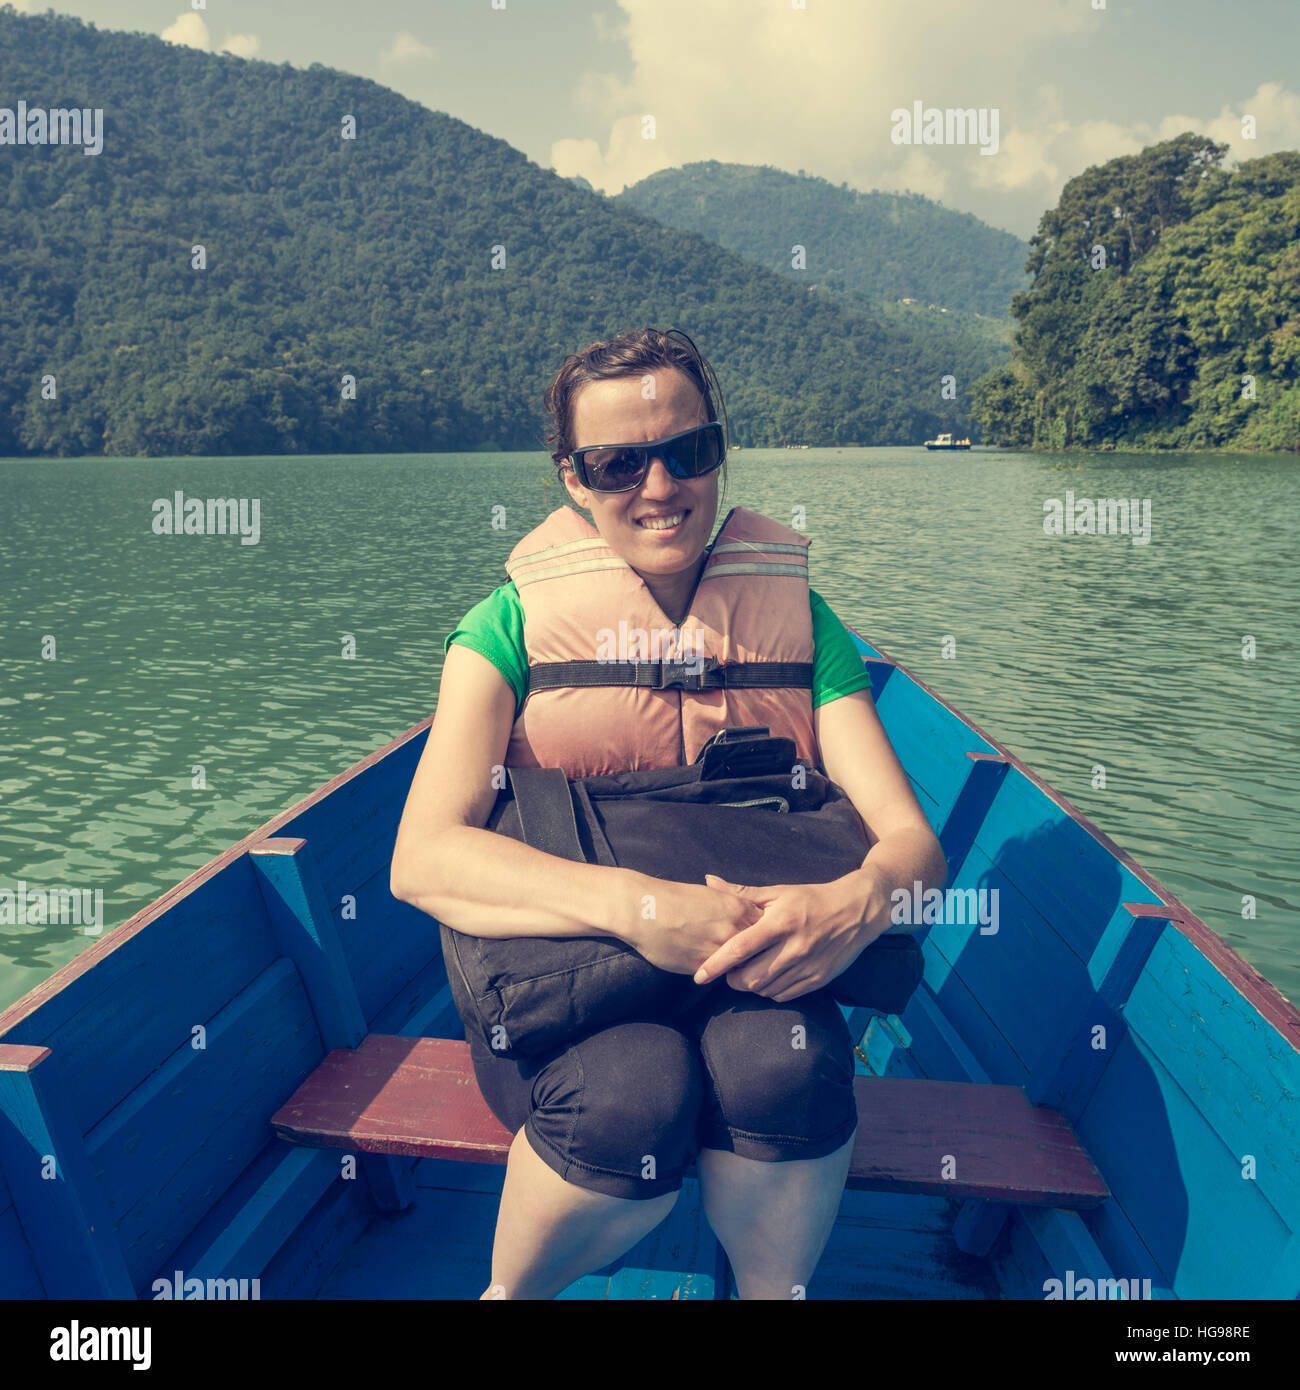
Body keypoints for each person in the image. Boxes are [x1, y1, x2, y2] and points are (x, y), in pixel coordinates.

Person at [390, 327, 946, 1300]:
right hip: (574, 975)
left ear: (718, 449)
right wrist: (645, 908)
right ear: (571, 477)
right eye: (618, 464)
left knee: (787, 1074)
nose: (661, 486)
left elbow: (912, 847)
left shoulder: (804, 629)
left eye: (688, 451)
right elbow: (423, 860)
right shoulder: (503, 630)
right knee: (628, 1100)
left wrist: (854, 905)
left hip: (753, 969)